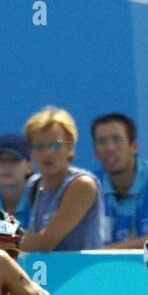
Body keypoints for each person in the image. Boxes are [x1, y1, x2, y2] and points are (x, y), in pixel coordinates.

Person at [91, 112, 148, 249]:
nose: (110, 148)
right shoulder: (89, 185)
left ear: (134, 146)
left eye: (117, 140)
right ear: (95, 152)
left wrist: (107, 251)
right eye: (102, 142)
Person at [20, 106, 105, 251]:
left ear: (70, 148)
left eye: (55, 145)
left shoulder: (83, 184)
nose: (47, 153)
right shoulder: (33, 185)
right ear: (31, 152)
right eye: (39, 146)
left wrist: (1, 243)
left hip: (86, 267)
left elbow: (45, 243)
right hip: (48, 267)